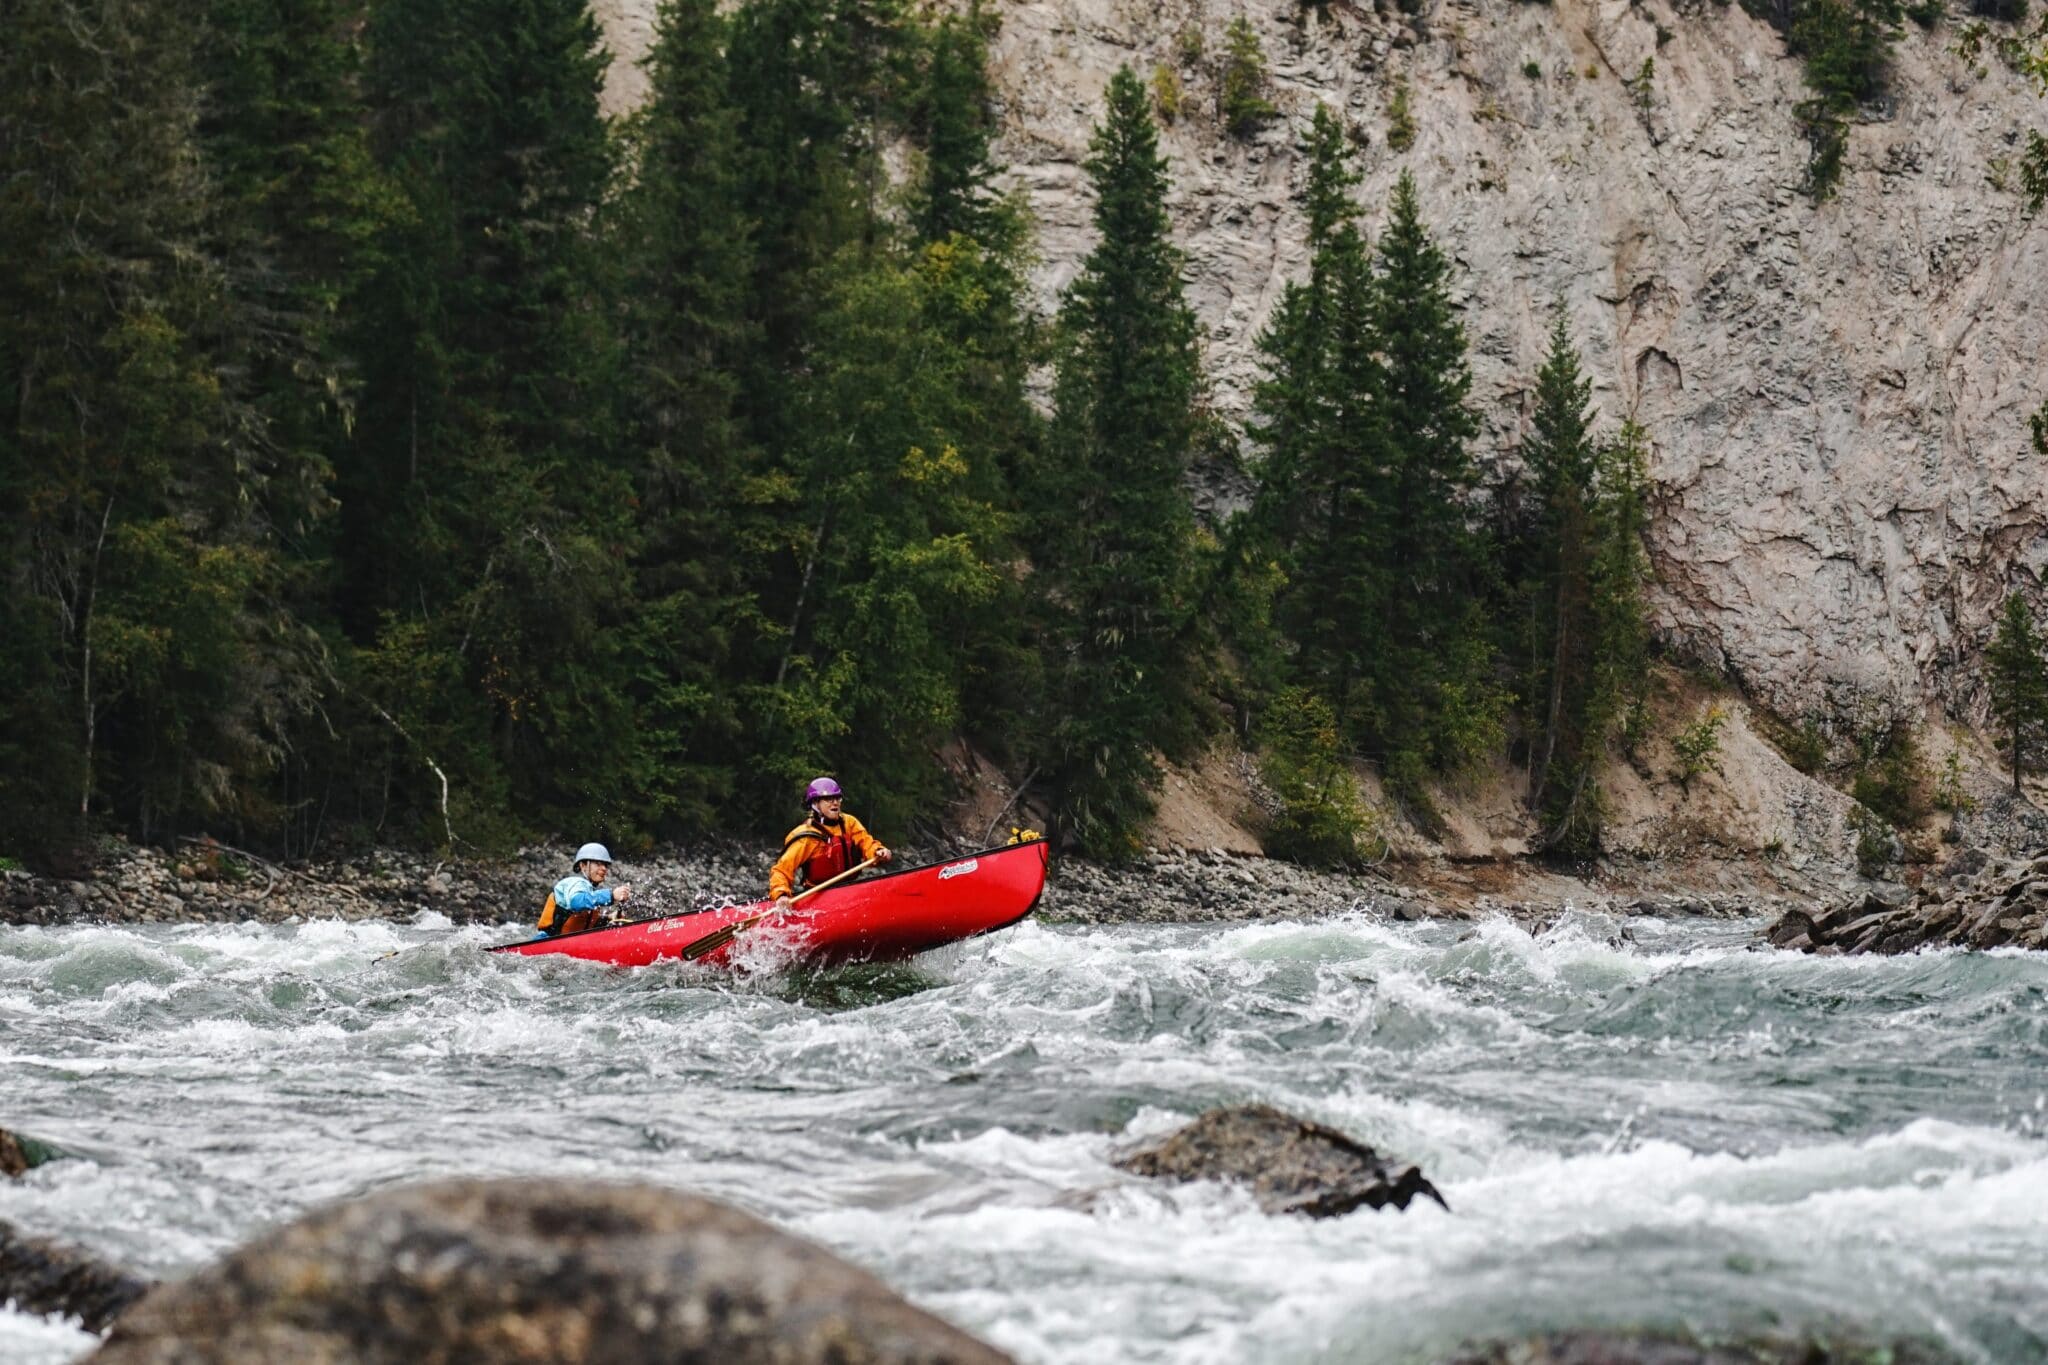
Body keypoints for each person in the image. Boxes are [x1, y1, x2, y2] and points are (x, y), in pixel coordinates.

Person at [768, 778, 893, 908]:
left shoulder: (849, 823)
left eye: (838, 798)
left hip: (850, 891)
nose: (835, 803)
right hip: (818, 898)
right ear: (816, 803)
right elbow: (781, 870)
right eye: (829, 799)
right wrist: (781, 895)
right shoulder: (805, 837)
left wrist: (878, 851)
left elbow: (866, 843)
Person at [537, 842, 633, 935]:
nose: (604, 868)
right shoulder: (575, 883)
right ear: (583, 866)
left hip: (568, 946)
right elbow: (577, 902)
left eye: (605, 865)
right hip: (545, 942)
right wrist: (611, 895)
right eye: (598, 863)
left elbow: (585, 923)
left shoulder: (590, 892)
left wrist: (608, 918)